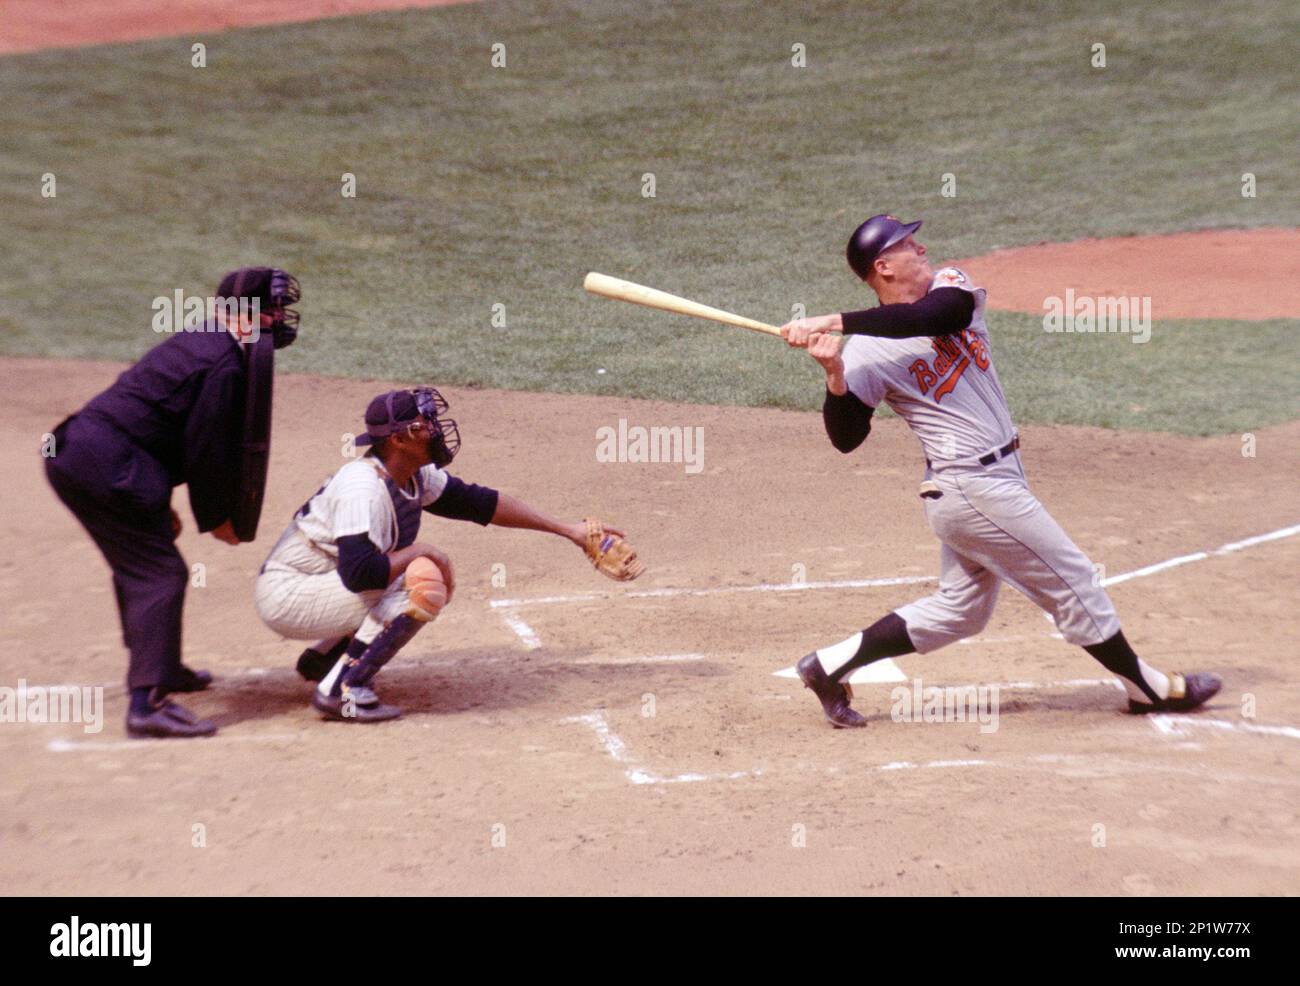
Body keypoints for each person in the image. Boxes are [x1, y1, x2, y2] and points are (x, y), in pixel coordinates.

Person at [778, 214, 1220, 728]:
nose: (923, 249)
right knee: (1073, 580)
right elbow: (847, 438)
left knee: (961, 610)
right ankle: (1150, 689)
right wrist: (834, 374)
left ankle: (826, 666)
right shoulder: (867, 353)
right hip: (970, 487)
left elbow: (935, 318)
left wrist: (831, 320)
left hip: (996, 480)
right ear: (883, 266)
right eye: (909, 245)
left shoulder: (950, 288)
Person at [254, 386, 644, 723]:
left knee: (411, 570)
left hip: (318, 586)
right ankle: (341, 689)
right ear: (398, 439)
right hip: (289, 595)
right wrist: (421, 551)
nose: (436, 430)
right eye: (425, 424)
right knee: (420, 579)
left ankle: (326, 658)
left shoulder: (412, 474)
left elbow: (479, 503)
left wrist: (568, 530)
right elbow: (360, 574)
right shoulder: (364, 489)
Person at [44, 266, 301, 738]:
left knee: (143, 558)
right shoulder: (223, 364)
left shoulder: (205, 339)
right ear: (246, 314)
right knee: (160, 572)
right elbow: (206, 453)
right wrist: (219, 518)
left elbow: (166, 430)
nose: (281, 317)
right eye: (273, 309)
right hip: (104, 463)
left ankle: (161, 667)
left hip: (84, 451)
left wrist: (156, 506)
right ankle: (147, 704)